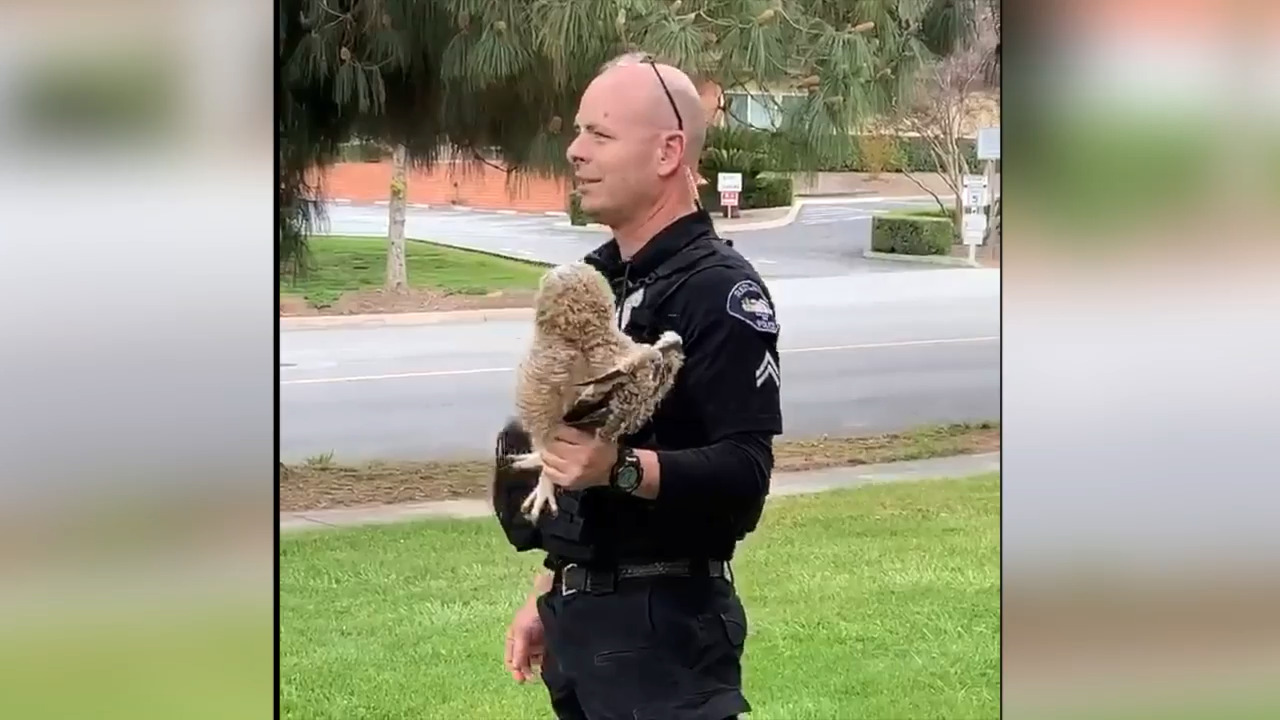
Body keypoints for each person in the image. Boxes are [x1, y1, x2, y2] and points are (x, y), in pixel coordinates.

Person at [500, 53, 783, 720]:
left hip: (668, 641)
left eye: (599, 135)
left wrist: (621, 469)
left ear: (667, 152)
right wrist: (554, 584)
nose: (574, 151)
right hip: (586, 632)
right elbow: (578, 453)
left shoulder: (719, 290)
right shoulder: (601, 282)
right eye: (577, 132)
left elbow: (746, 472)